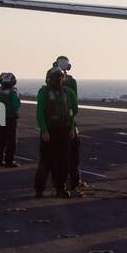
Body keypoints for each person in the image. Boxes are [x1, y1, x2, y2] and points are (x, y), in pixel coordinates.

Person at [34, 66, 77, 198]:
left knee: (63, 162)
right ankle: (39, 189)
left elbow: (72, 111)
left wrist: (72, 128)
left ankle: (60, 188)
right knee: (45, 162)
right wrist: (44, 130)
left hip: (64, 131)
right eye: (56, 78)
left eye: (59, 77)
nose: (58, 80)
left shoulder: (68, 93)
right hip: (50, 131)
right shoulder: (44, 92)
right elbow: (40, 113)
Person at [52, 56, 85, 195]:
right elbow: (74, 106)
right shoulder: (71, 82)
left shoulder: (49, 80)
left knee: (55, 154)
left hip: (52, 124)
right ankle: (75, 180)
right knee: (73, 153)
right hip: (67, 122)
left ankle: (58, 181)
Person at [0, 73, 20, 167]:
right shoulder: (13, 92)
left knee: (0, 140)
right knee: (11, 140)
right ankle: (9, 161)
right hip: (9, 117)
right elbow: (16, 105)